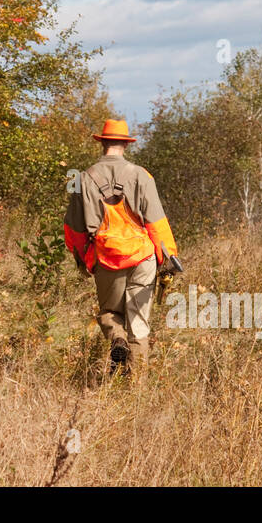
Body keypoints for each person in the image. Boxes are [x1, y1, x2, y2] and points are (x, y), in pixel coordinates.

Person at [63, 119, 178, 379]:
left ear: (102, 142)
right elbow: (157, 224)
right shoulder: (141, 175)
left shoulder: (82, 179)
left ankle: (117, 339)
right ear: (126, 145)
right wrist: (168, 259)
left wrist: (83, 259)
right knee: (139, 324)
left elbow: (75, 230)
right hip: (142, 256)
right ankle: (136, 391)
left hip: (107, 257)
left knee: (109, 313)